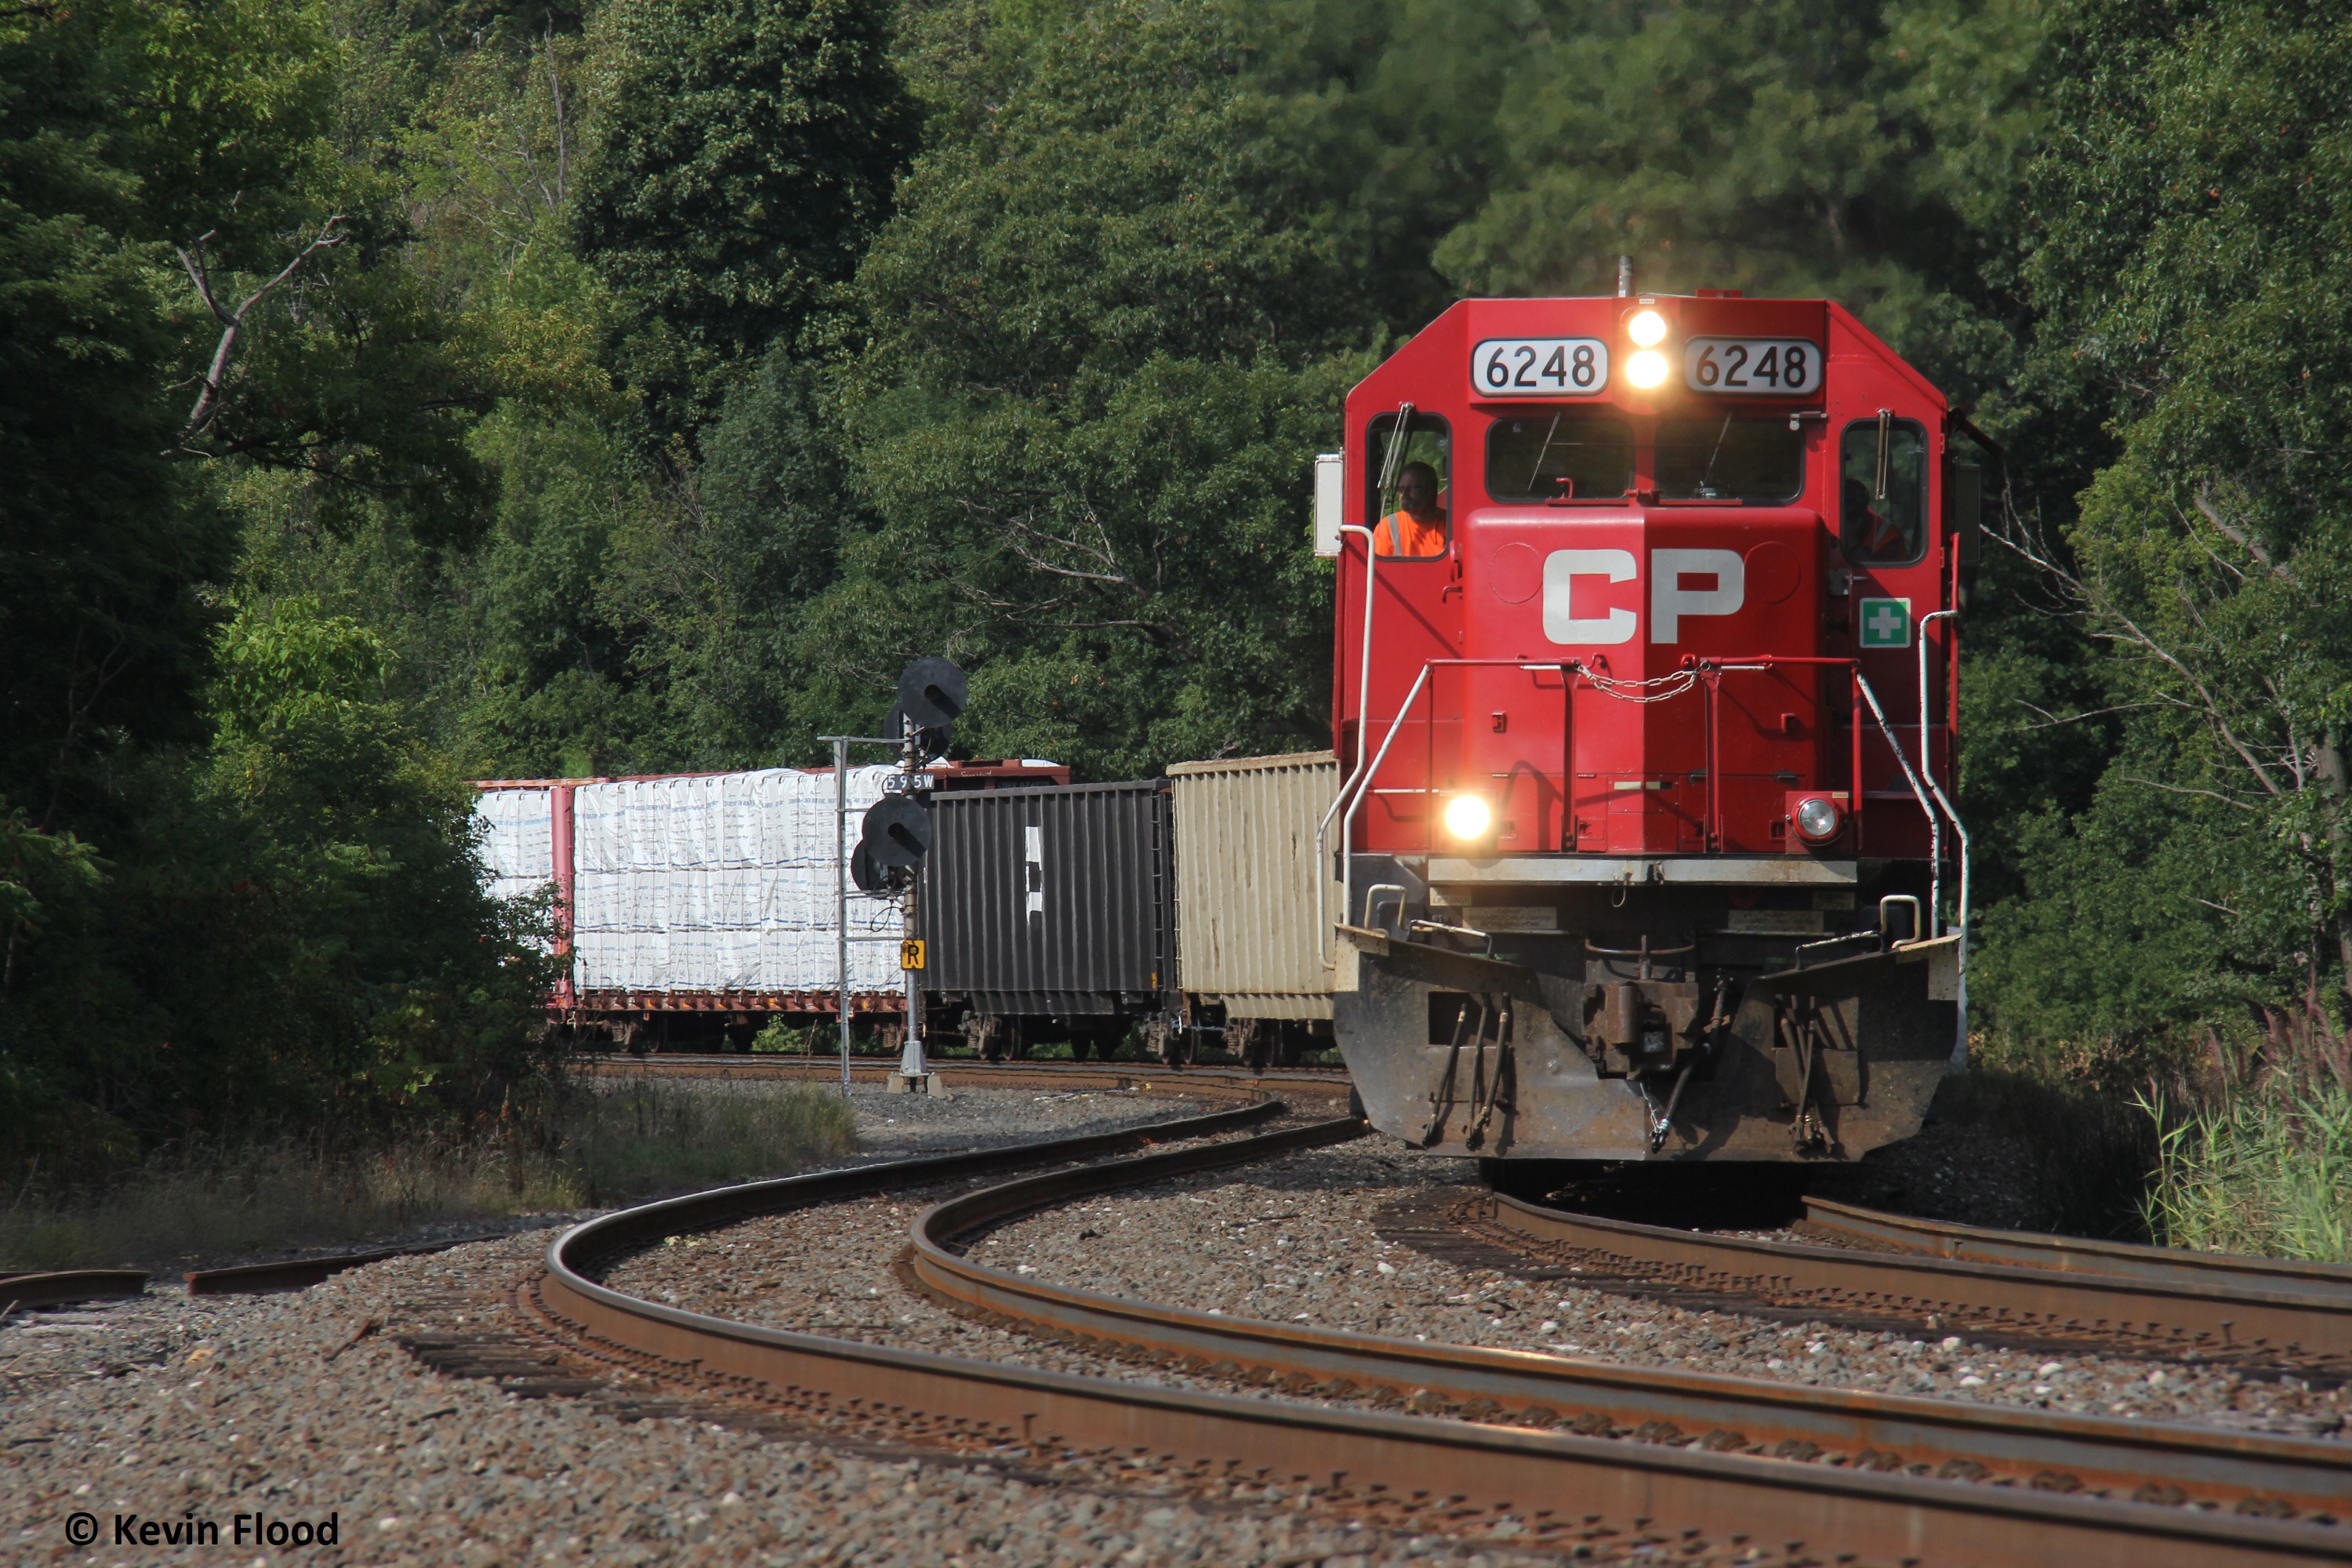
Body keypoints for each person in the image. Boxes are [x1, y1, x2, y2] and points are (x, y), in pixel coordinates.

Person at [1376, 460, 1447, 557]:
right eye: (1400, 488)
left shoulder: (1451, 524)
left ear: (1431, 489)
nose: (1404, 494)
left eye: (1412, 488)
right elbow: (1378, 568)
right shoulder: (1388, 526)